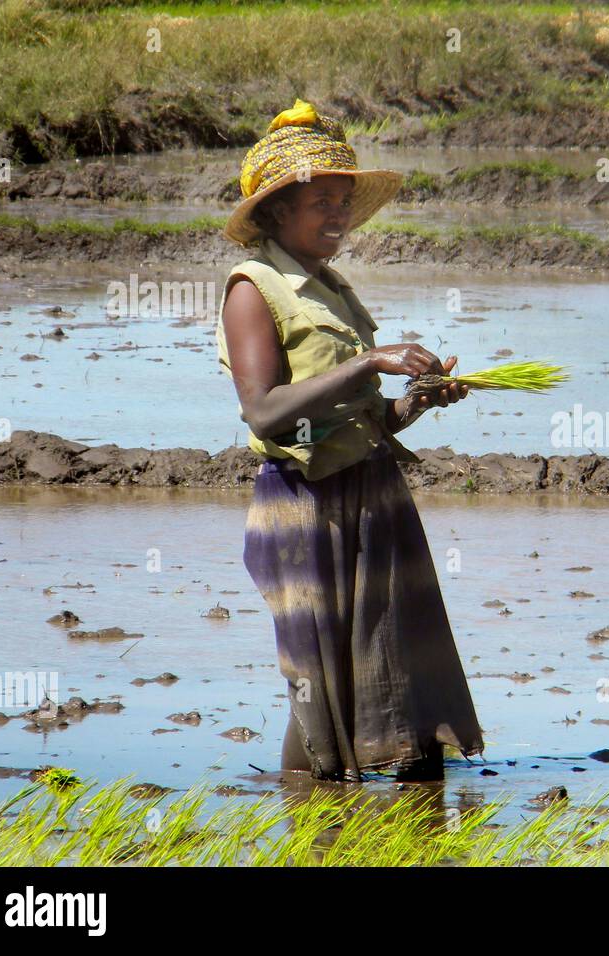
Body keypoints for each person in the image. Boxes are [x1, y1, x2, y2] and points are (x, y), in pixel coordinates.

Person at [215, 99, 484, 783]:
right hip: (304, 505)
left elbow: (364, 420)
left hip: (369, 491)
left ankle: (359, 823)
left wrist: (415, 403)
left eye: (343, 202)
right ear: (276, 212)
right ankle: (307, 816)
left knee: (392, 664)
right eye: (321, 204)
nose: (338, 215)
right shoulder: (255, 288)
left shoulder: (331, 287)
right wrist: (368, 361)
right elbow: (265, 412)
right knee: (319, 686)